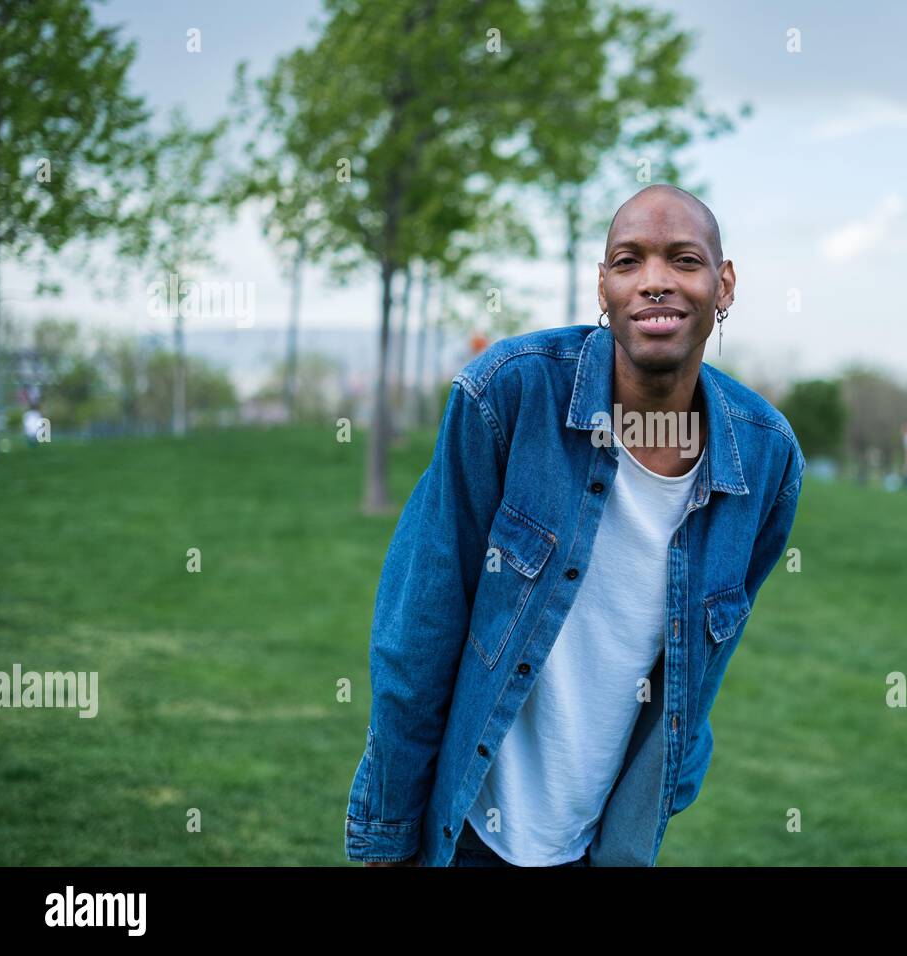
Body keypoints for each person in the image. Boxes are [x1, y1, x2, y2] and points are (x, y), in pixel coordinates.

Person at [345, 183, 805, 867]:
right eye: (629, 261)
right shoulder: (508, 395)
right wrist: (389, 838)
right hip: (466, 832)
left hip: (604, 842)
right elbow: (419, 631)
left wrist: (672, 776)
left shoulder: (765, 459)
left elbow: (705, 666)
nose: (655, 282)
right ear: (603, 285)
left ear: (724, 284)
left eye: (683, 260)